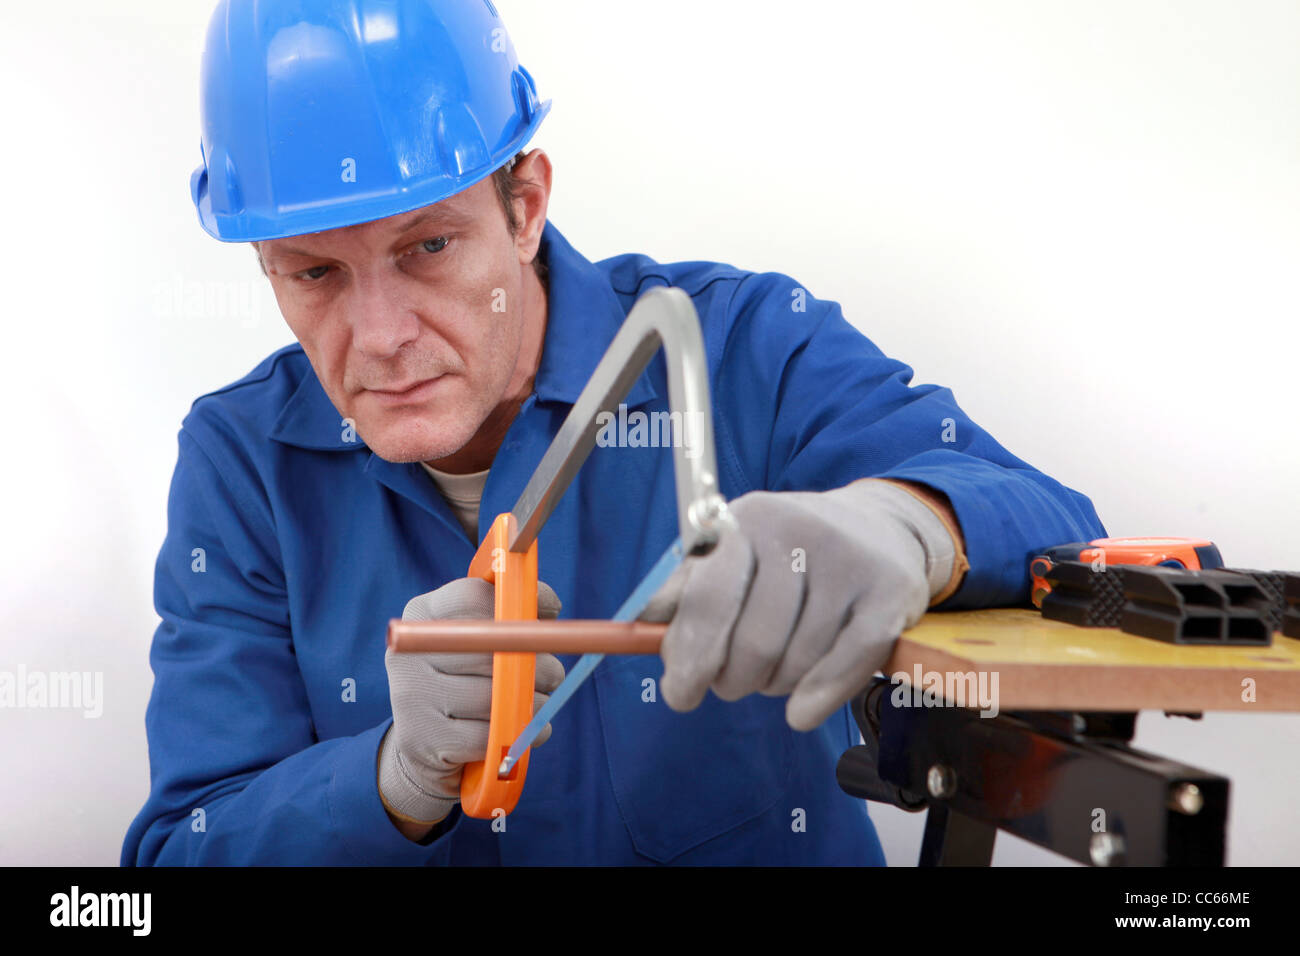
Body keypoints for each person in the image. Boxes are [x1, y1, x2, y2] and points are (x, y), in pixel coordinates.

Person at [123, 0, 1106, 865]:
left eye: (426, 246)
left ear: (527, 204)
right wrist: (390, 778)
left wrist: (908, 524)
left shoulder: (739, 349)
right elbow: (180, 852)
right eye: (314, 273)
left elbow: (1055, 525)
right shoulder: (242, 466)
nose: (379, 337)